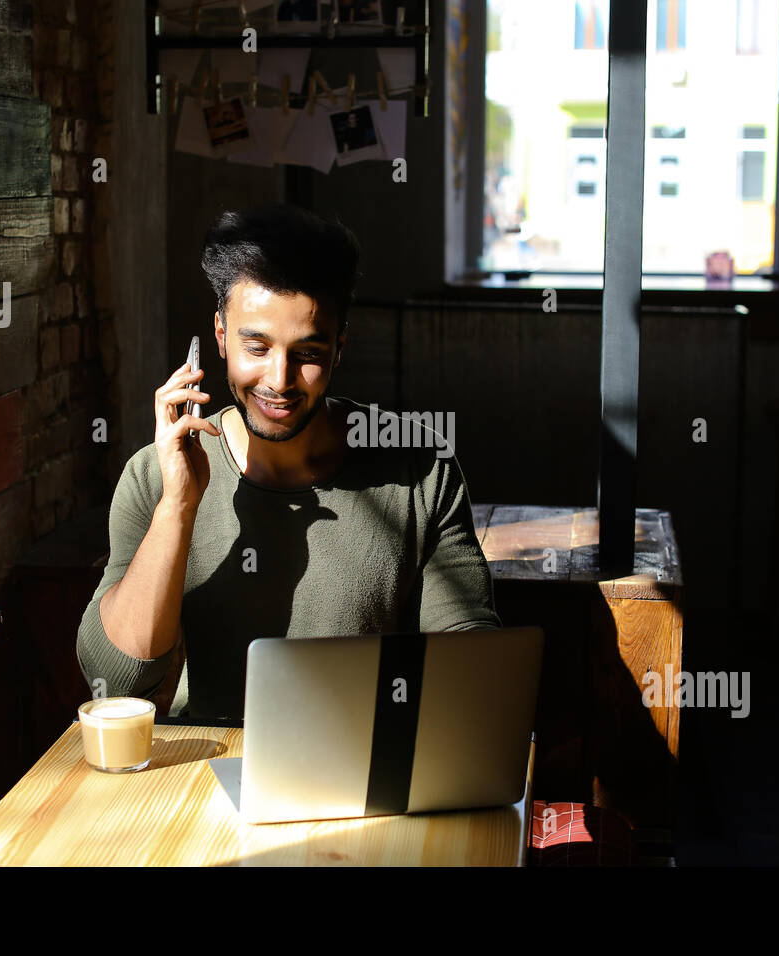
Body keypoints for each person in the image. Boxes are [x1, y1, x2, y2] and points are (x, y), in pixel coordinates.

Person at [76, 204, 501, 721]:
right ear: (219, 335)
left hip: (361, 774)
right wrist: (179, 506)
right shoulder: (155, 475)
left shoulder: (417, 468)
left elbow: (469, 653)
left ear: (340, 346)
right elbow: (114, 677)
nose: (279, 379)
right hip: (203, 778)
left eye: (307, 353)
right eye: (255, 347)